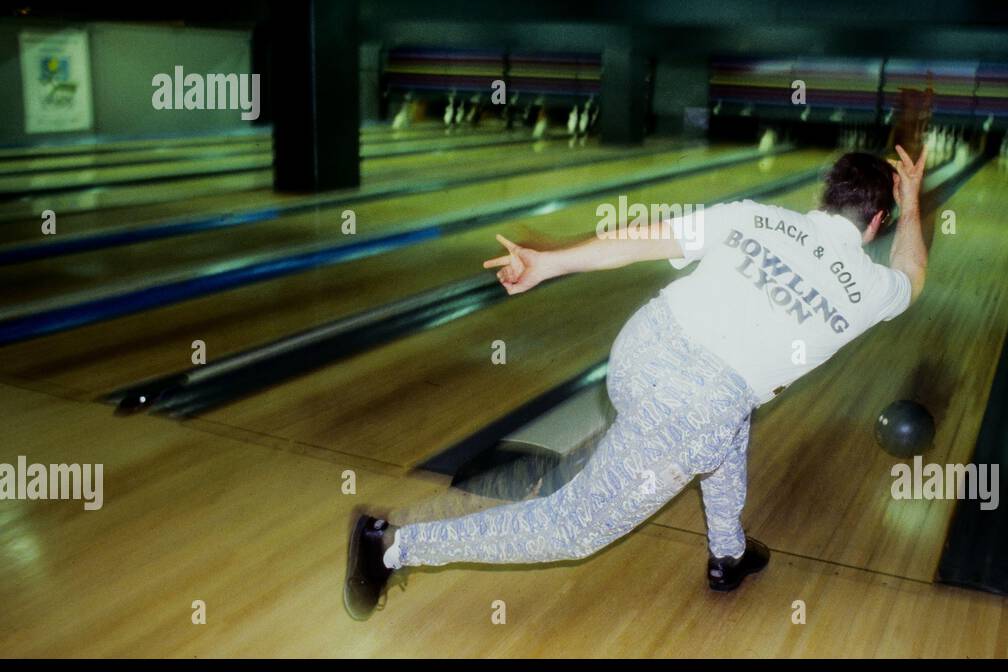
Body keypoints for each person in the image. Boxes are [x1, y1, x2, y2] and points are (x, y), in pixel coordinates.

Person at [344, 146, 929, 620]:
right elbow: (913, 272)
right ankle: (393, 547)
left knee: (729, 418)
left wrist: (548, 263)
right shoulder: (873, 289)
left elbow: (645, 238)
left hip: (639, 351)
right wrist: (913, 207)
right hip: (693, 406)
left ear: (824, 196)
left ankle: (728, 554)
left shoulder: (756, 216)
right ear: (876, 220)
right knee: (573, 528)